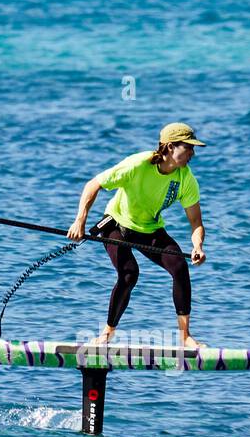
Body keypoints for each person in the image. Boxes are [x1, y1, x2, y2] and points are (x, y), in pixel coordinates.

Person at [67, 122, 208, 348]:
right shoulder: (137, 164)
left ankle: (185, 337)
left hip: (149, 229)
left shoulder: (186, 178)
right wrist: (79, 221)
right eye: (188, 147)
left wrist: (198, 246)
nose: (193, 153)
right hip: (116, 225)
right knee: (129, 273)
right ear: (170, 147)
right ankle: (107, 334)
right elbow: (93, 184)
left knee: (180, 266)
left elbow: (196, 223)